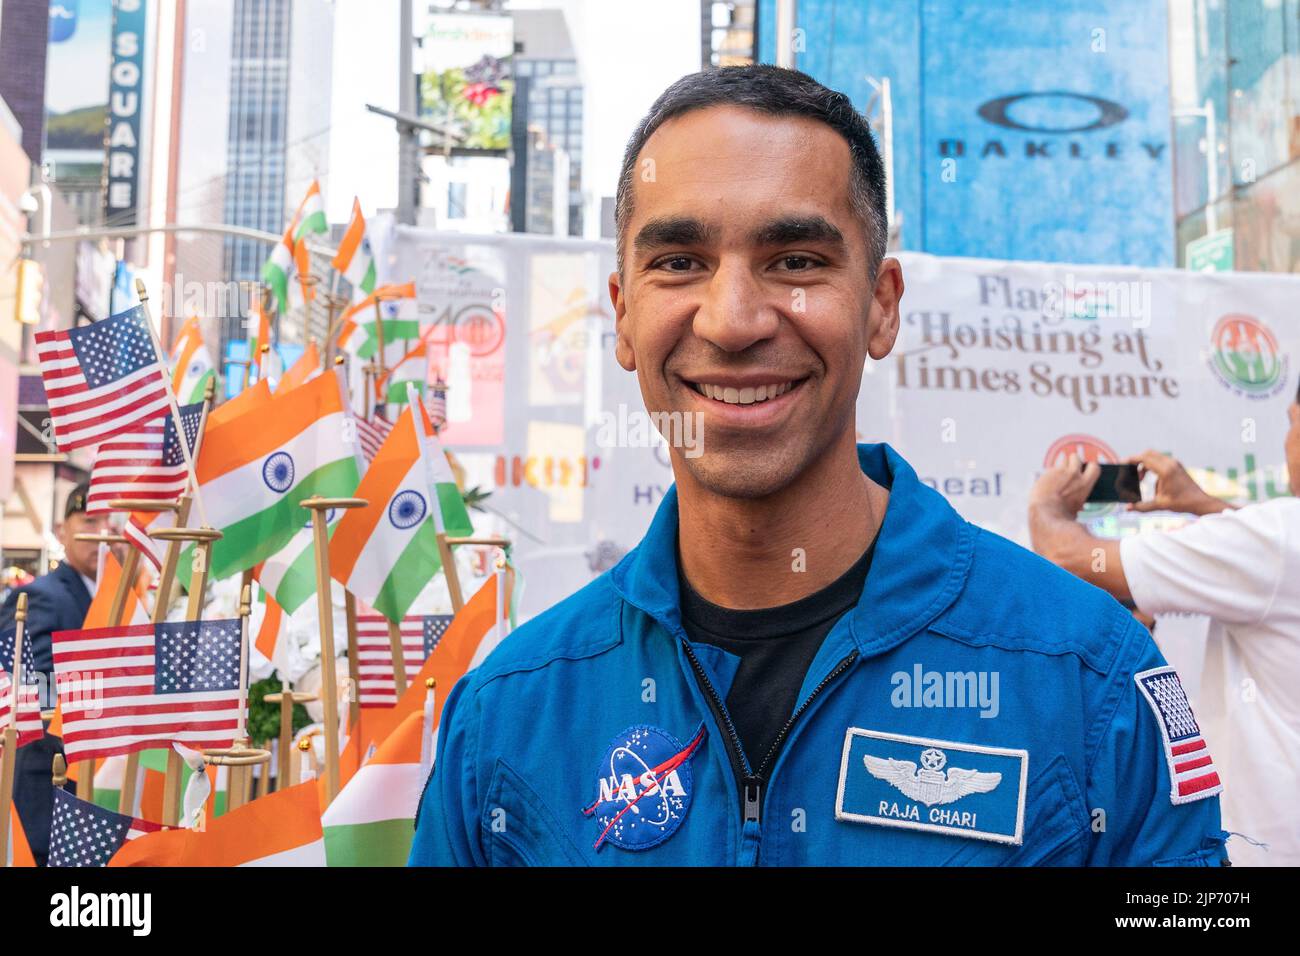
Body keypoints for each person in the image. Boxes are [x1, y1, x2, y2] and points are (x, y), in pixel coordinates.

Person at [410, 66, 1227, 866]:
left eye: (796, 261)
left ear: (881, 305)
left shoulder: (1090, 681)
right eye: (681, 262)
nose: (732, 322)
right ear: (624, 316)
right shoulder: (506, 720)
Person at [1028, 384, 1300, 866]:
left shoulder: (1279, 535)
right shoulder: (1276, 545)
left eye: (1290, 423)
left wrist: (1047, 506)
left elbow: (1068, 557)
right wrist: (1206, 507)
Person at [0, 481, 106, 866]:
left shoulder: (112, 594)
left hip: (93, 787)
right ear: (62, 531)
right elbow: (34, 691)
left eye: (110, 522)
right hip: (51, 785)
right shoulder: (45, 595)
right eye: (91, 521)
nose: (102, 534)